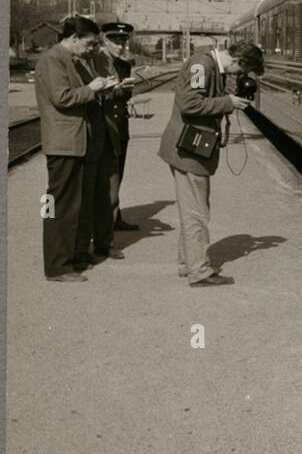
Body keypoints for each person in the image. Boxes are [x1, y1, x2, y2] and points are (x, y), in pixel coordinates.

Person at [158, 40, 262, 287]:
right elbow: (189, 103)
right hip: (188, 149)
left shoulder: (211, 66)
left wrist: (226, 99)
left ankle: (188, 263)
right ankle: (199, 272)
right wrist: (228, 103)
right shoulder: (202, 65)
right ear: (238, 60)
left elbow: (201, 99)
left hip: (192, 147)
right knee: (197, 211)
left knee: (191, 207)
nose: (241, 76)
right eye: (243, 70)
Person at [33, 15, 118, 282]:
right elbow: (62, 97)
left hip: (78, 142)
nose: (93, 49)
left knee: (76, 204)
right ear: (73, 38)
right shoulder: (52, 59)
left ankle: (76, 256)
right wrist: (92, 88)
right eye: (90, 43)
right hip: (64, 143)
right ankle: (57, 266)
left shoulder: (72, 60)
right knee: (60, 206)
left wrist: (101, 89)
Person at [100, 21, 139, 230]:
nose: (121, 45)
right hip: (105, 126)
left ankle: (115, 218)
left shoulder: (124, 65)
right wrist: (115, 90)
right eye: (116, 40)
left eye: (124, 40)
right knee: (107, 176)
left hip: (120, 126)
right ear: (104, 39)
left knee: (118, 173)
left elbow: (124, 96)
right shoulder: (96, 62)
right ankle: (106, 223)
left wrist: (125, 91)